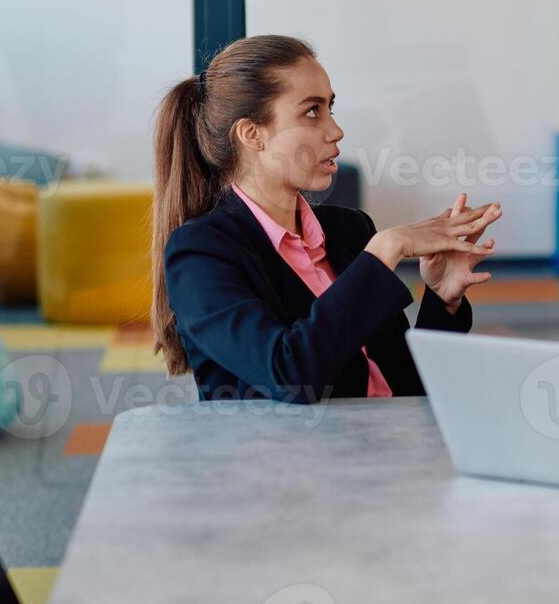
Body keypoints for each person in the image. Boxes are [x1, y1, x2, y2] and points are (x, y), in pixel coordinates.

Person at [151, 34, 501, 403]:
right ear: (252, 134)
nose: (335, 131)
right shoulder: (201, 253)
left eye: (330, 108)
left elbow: (403, 388)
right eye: (312, 111)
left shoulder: (350, 229)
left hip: (385, 439)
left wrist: (442, 301)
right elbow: (289, 375)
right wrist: (386, 249)